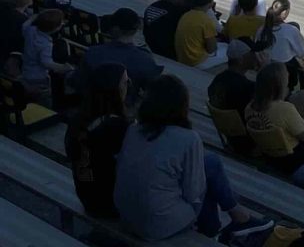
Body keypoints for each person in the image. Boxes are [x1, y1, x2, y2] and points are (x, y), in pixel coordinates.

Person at [114, 76, 274, 241]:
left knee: (209, 164)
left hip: (127, 215)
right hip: (158, 224)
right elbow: (194, 193)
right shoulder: (189, 139)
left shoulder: (134, 130)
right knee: (208, 176)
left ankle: (236, 213)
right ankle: (214, 229)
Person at [68, 63, 132, 218]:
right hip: (109, 202)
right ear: (114, 89)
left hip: (85, 194)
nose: (129, 86)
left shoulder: (78, 119)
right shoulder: (117, 127)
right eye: (125, 82)